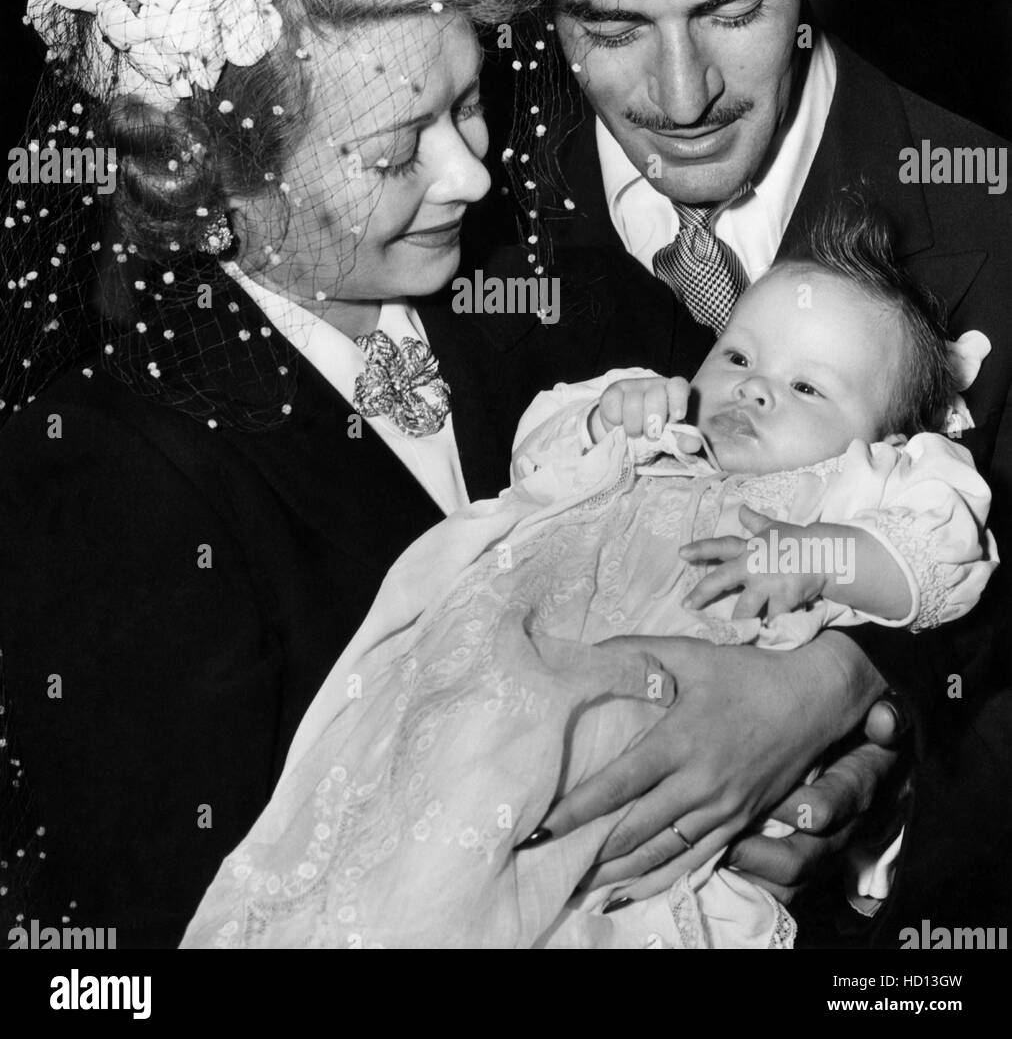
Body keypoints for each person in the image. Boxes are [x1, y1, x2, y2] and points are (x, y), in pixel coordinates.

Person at [0, 0, 664, 948]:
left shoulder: (519, 280)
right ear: (221, 182)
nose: (471, 175)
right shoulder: (110, 476)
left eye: (471, 105)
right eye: (395, 146)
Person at [481, 0, 1012, 935]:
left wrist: (857, 732)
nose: (680, 95)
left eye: (734, 10)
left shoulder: (988, 222)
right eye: (607, 26)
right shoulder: (455, 212)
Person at [179, 206, 996, 949]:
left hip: (660, 752)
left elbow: (940, 558)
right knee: (411, 852)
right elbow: (536, 459)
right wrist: (609, 416)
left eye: (808, 388)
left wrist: (806, 554)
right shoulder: (660, 439)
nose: (752, 385)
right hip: (509, 691)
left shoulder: (861, 484)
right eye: (740, 353)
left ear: (888, 440)